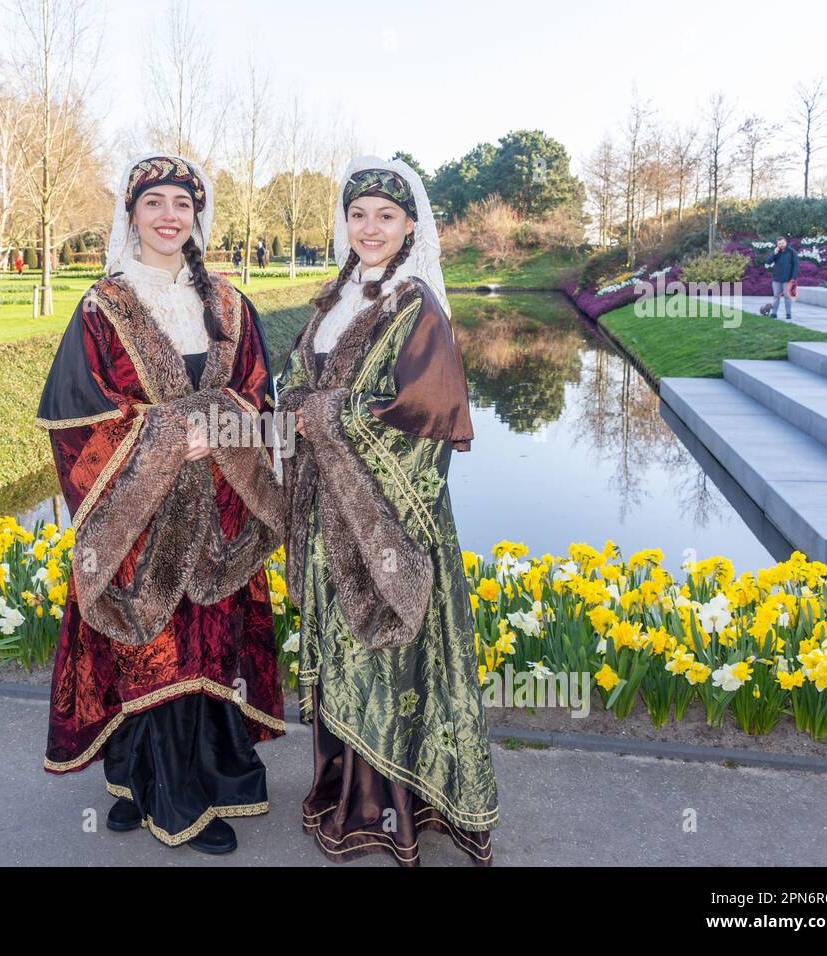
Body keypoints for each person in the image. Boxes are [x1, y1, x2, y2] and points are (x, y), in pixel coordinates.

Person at [35, 153, 287, 855]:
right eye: (155, 204)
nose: (169, 216)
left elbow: (263, 395)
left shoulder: (231, 305)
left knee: (210, 643)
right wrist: (175, 434)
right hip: (138, 514)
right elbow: (75, 418)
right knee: (152, 646)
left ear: (196, 217)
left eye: (182, 203)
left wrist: (224, 428)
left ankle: (205, 779)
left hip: (219, 506)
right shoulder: (102, 306)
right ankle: (152, 785)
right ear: (133, 215)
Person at [278, 156, 499, 867]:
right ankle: (346, 788)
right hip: (325, 514)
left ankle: (387, 808)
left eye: (386, 216)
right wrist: (295, 408)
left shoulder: (416, 305)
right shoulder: (334, 299)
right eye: (358, 214)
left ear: (410, 226)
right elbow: (295, 382)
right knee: (341, 650)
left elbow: (428, 416)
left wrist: (325, 418)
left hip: (385, 523)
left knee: (381, 654)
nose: (369, 228)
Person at [764, 235, 800, 321]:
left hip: (788, 279)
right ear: (777, 244)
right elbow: (768, 261)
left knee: (787, 296)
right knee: (776, 296)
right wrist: (774, 253)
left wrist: (793, 277)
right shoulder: (776, 252)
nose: (781, 245)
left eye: (783, 243)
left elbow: (796, 265)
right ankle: (774, 313)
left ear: (786, 242)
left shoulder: (792, 252)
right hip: (777, 278)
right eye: (779, 243)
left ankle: (788, 314)